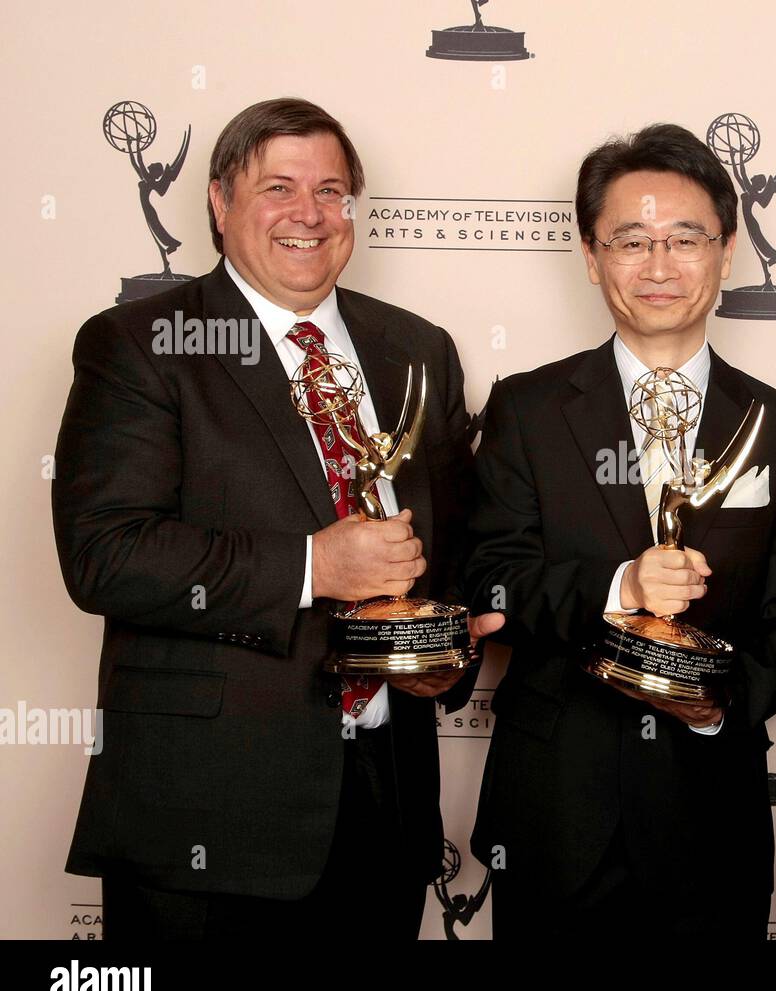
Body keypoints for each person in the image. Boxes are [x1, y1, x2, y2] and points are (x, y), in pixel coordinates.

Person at [52, 97, 500, 940]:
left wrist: (448, 649)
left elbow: (454, 537)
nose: (310, 214)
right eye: (279, 188)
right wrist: (313, 568)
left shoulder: (416, 348)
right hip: (209, 813)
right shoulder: (142, 344)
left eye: (332, 191)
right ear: (221, 203)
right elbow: (104, 554)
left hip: (386, 804)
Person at [464, 123, 776, 938]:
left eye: (685, 239)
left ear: (727, 252)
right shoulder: (525, 409)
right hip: (554, 818)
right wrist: (618, 587)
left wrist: (716, 705)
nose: (659, 266)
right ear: (591, 258)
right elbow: (489, 582)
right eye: (631, 240)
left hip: (711, 821)